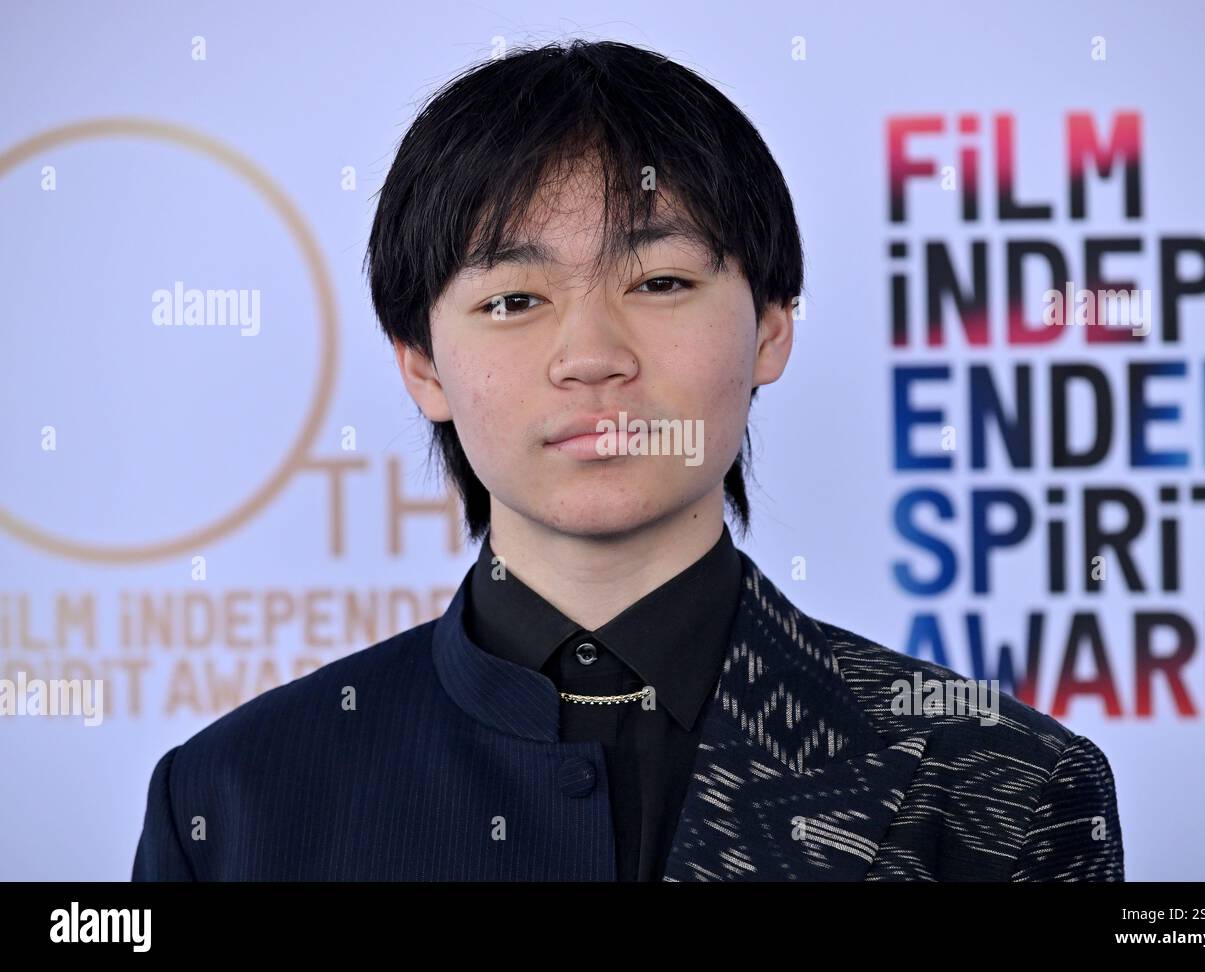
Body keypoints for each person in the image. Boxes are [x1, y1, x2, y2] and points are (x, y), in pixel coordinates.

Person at [132, 38, 1123, 881]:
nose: (593, 357)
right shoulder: (237, 798)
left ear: (772, 328)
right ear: (422, 367)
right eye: (513, 300)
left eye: (658, 279)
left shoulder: (1004, 786)